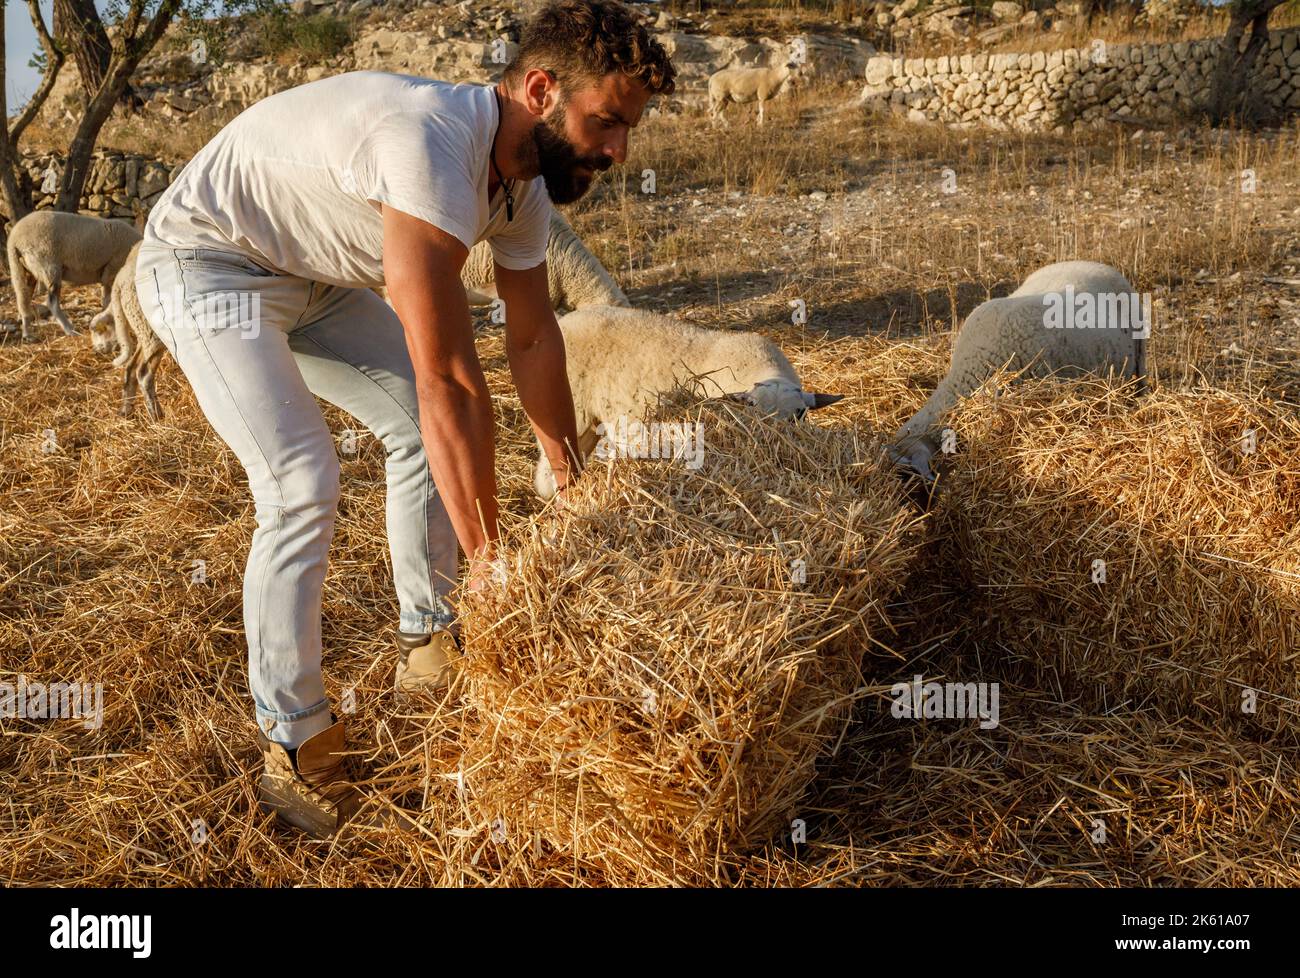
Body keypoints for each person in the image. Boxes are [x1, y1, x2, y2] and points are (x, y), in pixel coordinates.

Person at [134, 0, 676, 837]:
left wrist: (568, 479)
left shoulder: (521, 189)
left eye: (627, 130)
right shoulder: (430, 145)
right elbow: (450, 380)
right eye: (606, 122)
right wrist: (495, 566)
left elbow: (532, 339)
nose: (617, 151)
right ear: (540, 89)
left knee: (423, 443)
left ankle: (429, 645)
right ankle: (295, 743)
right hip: (206, 262)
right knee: (302, 479)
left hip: (314, 276)